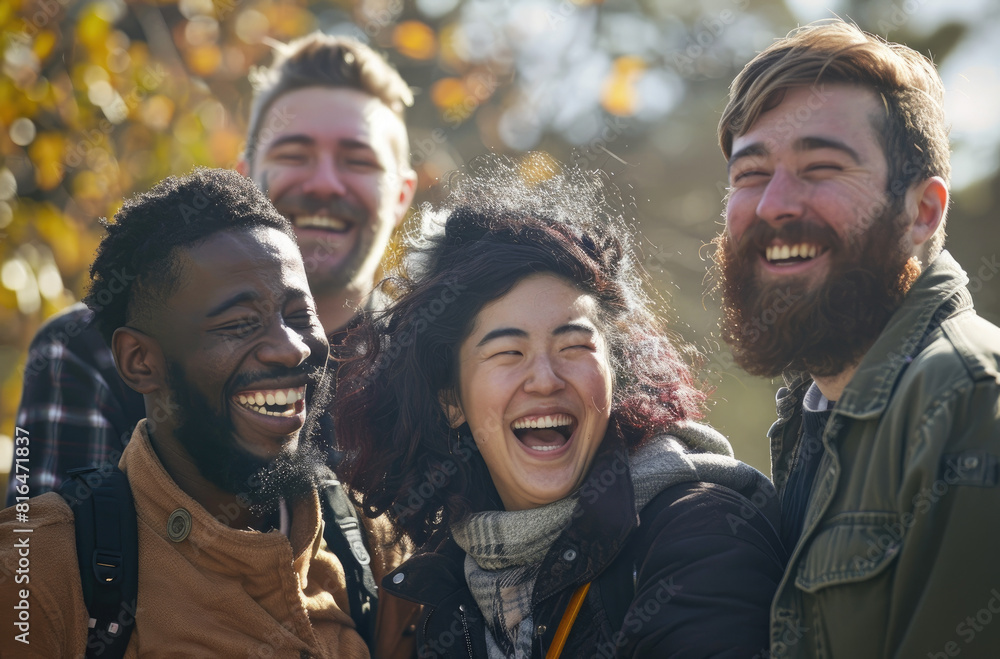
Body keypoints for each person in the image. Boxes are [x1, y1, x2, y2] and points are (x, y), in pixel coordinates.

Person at [333, 159, 787, 657]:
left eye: (574, 347)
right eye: (508, 353)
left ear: (619, 373)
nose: (546, 380)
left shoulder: (699, 533)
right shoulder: (447, 586)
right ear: (450, 400)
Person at [0, 169, 411, 656]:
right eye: (239, 324)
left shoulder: (372, 545)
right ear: (141, 362)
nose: (292, 348)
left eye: (300, 316)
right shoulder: (34, 575)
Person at [7, 31, 416, 501]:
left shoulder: (442, 360)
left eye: (358, 160)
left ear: (402, 194)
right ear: (244, 177)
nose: (324, 183)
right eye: (293, 155)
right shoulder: (86, 348)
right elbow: (38, 563)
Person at [715, 20, 1000, 658]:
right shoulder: (814, 416)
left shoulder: (967, 399)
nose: (774, 206)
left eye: (821, 167)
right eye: (751, 173)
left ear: (922, 212)